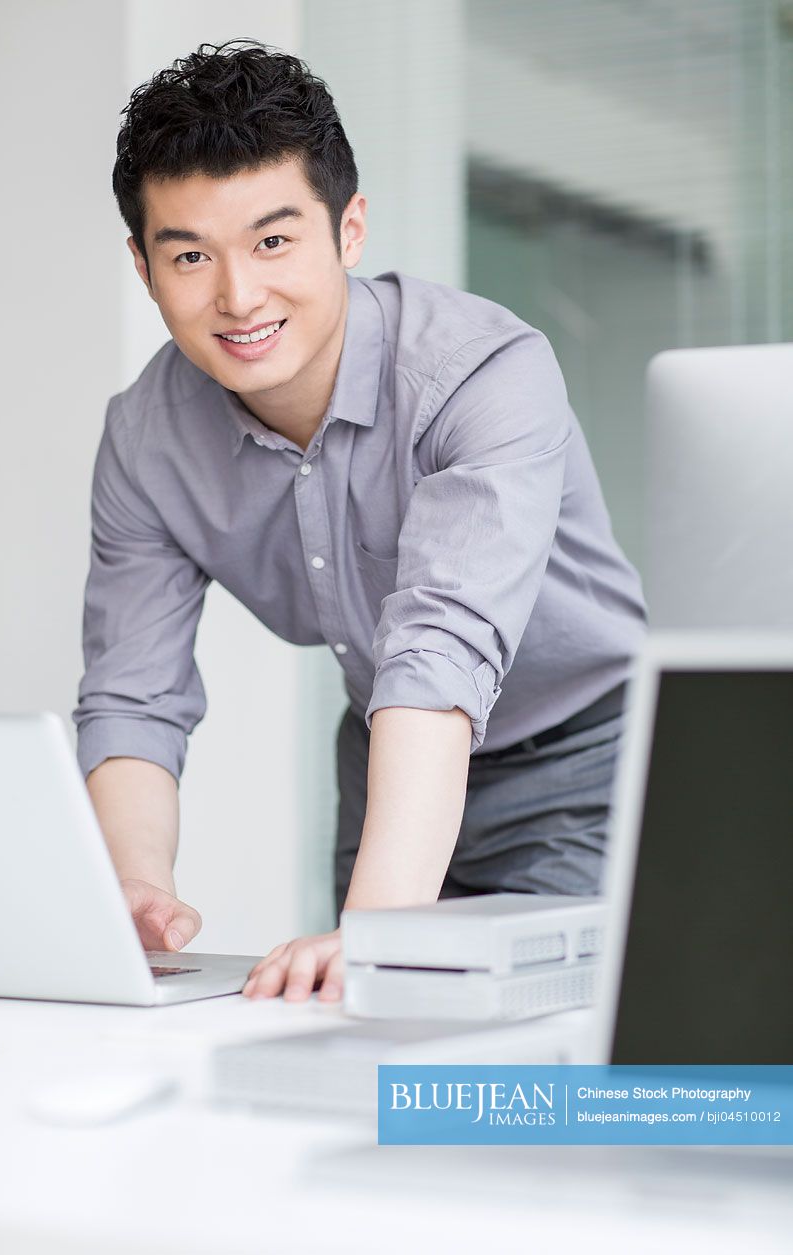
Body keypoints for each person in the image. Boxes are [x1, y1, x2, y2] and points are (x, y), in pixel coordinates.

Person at [73, 37, 648, 1005]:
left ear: (348, 230)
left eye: (273, 241)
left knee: (514, 1052)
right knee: (361, 1045)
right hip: (390, 758)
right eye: (190, 255)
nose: (238, 296)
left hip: (585, 761)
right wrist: (131, 892)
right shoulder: (146, 438)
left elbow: (438, 651)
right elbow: (133, 694)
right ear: (144, 265)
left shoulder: (482, 374)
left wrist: (378, 932)